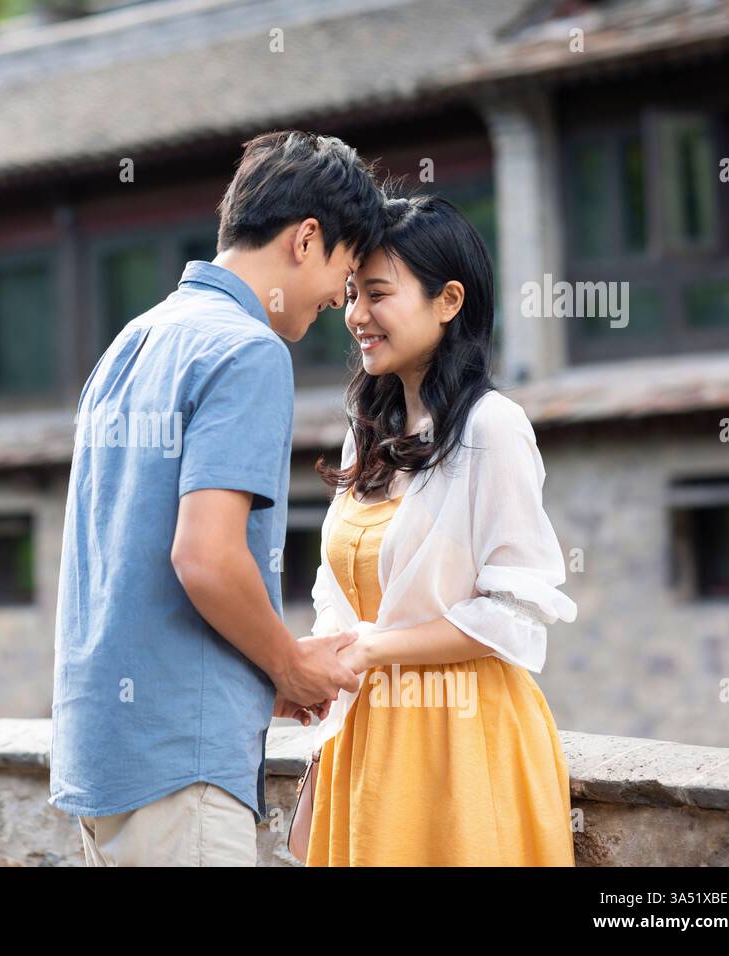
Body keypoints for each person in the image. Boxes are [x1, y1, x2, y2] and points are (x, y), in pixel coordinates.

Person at [49, 130, 386, 866]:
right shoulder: (248, 349)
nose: (342, 298)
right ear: (306, 239)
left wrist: (258, 671)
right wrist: (290, 666)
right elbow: (203, 557)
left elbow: (126, 566)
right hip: (183, 769)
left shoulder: (130, 343)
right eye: (346, 269)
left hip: (102, 760)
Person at [304, 194, 579, 866]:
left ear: (448, 301)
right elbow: (334, 593)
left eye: (377, 293)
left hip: (463, 738)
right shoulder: (365, 432)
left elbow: (514, 614)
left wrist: (368, 652)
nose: (356, 316)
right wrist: (318, 663)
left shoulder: (492, 428)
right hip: (366, 736)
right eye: (349, 294)